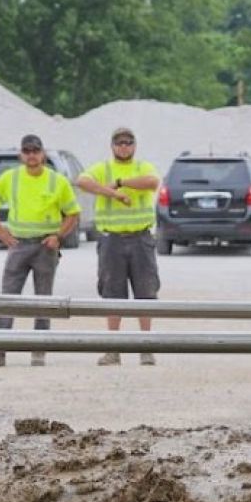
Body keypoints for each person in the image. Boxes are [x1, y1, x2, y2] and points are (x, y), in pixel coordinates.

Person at [0, 134, 78, 367]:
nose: (32, 156)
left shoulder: (57, 181)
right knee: (7, 298)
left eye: (35, 151)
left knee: (43, 299)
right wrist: (0, 232)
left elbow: (73, 213)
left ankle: (39, 349)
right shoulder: (10, 178)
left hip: (46, 246)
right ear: (21, 155)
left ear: (43, 154)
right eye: (27, 151)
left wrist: (58, 236)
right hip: (19, 245)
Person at [73, 126, 161, 366]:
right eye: (119, 143)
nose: (124, 147)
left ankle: (146, 347)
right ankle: (113, 349)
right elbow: (82, 181)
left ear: (134, 145)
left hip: (140, 238)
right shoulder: (103, 168)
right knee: (112, 294)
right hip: (111, 240)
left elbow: (152, 182)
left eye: (128, 143)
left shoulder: (142, 167)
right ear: (112, 146)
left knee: (146, 292)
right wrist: (112, 193)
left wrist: (121, 182)